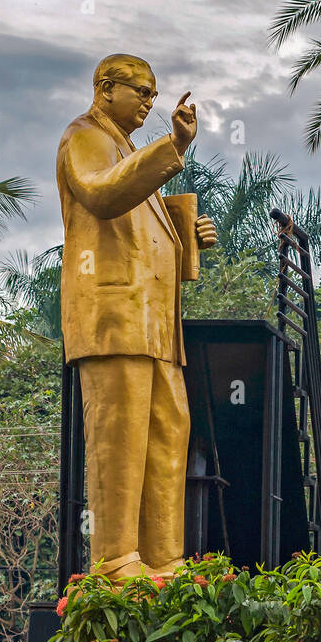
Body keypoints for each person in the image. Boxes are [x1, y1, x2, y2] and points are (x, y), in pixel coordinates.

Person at [56, 54, 217, 580]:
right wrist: (173, 149)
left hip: (155, 326)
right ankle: (117, 559)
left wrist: (185, 234)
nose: (150, 102)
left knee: (168, 432)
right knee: (119, 439)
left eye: (154, 94)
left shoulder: (125, 148)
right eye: (142, 92)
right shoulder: (83, 136)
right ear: (105, 89)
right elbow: (103, 196)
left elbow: (140, 230)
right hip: (112, 318)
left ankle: (163, 558)